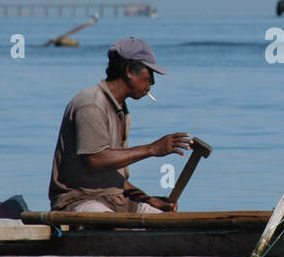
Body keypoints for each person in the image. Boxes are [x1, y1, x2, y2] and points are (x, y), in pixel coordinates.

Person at [49, 37, 192, 213]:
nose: (152, 82)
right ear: (130, 70)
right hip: (79, 200)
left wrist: (148, 199)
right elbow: (96, 159)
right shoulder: (91, 104)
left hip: (117, 200)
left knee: (167, 220)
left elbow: (115, 176)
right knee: (109, 224)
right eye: (149, 73)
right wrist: (152, 149)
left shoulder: (121, 111)